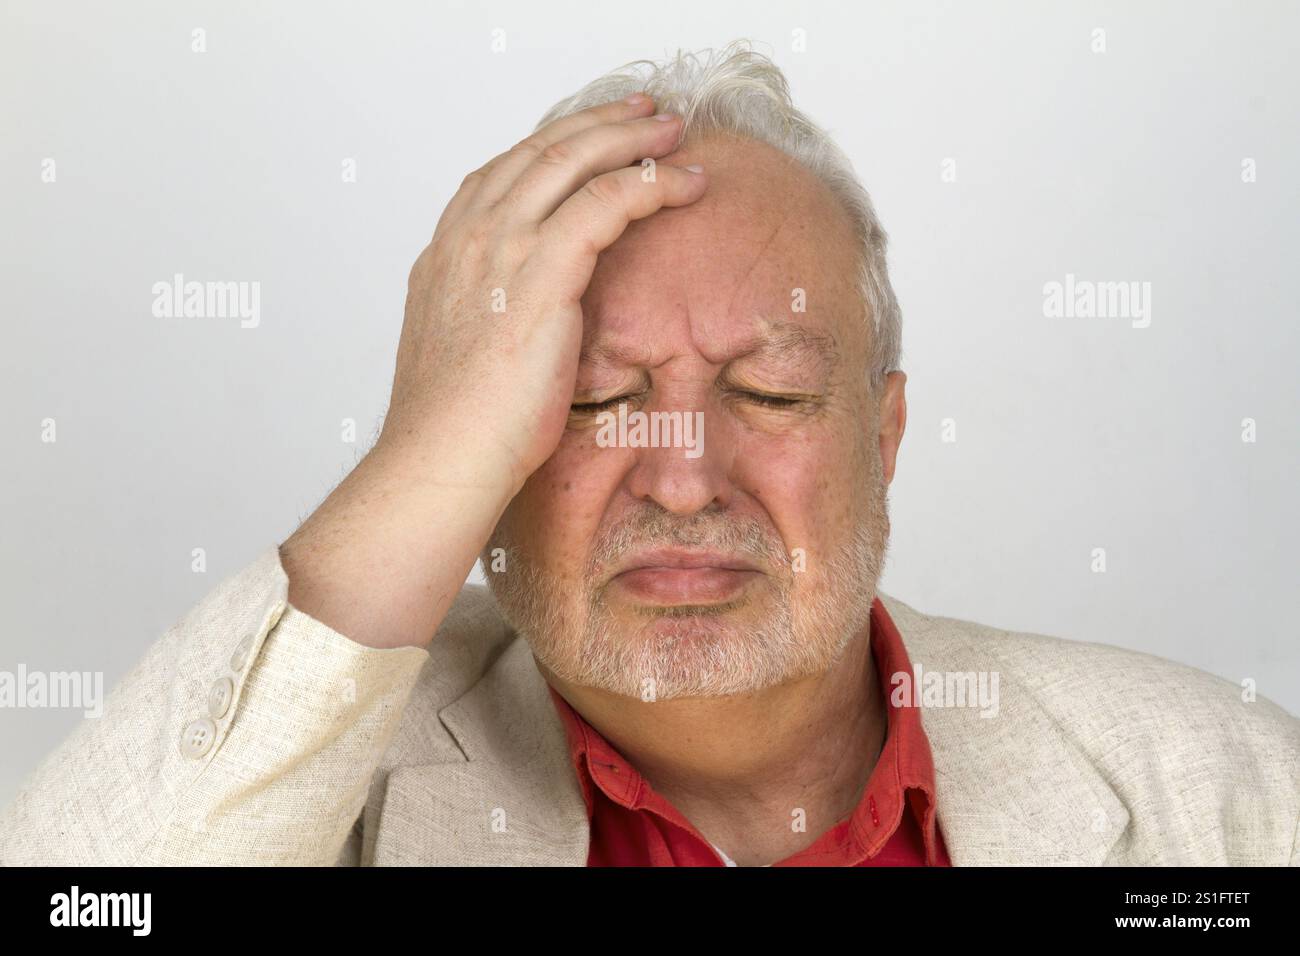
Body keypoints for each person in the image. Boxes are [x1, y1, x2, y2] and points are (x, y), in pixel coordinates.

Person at [2, 42, 1296, 866]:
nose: (682, 480)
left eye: (773, 393)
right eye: (594, 399)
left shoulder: (1221, 790)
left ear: (885, 435)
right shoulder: (334, 795)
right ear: (481, 457)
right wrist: (413, 461)